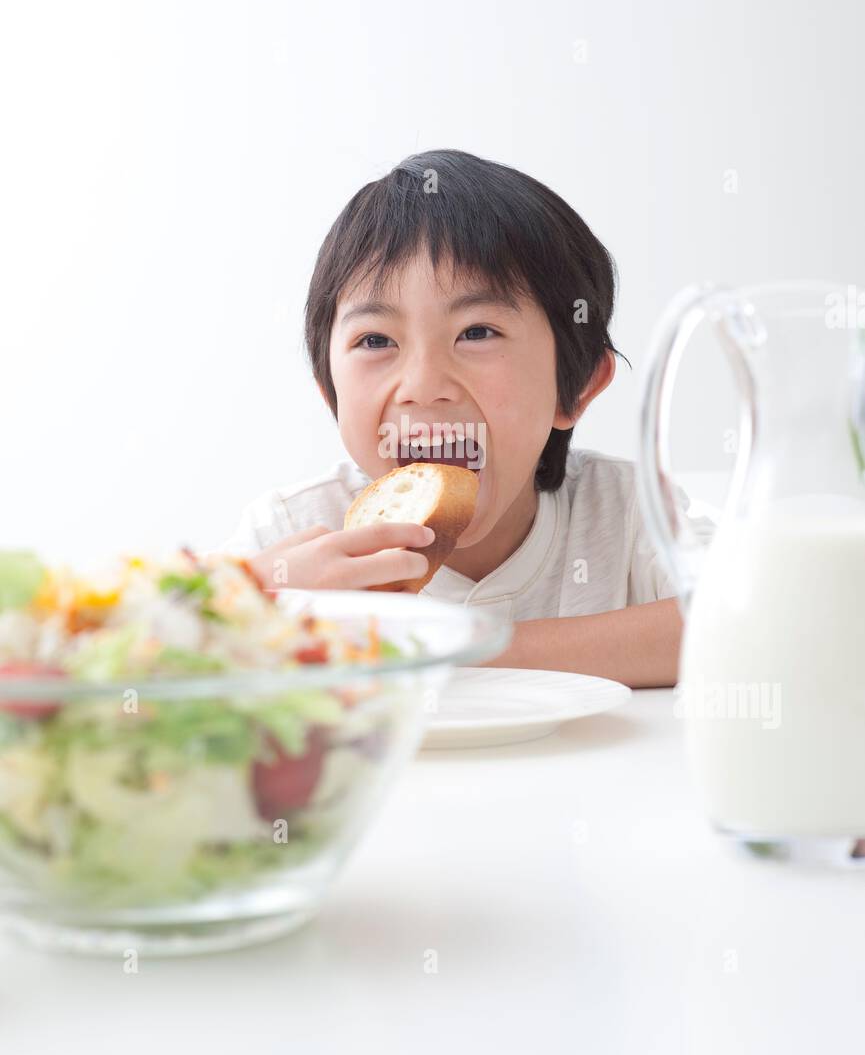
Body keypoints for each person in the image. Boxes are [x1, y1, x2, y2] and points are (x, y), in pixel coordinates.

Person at [213, 150, 715, 686]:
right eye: (376, 340)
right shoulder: (295, 533)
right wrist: (255, 605)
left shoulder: (629, 513)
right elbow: (144, 644)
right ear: (330, 392)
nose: (424, 384)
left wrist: (455, 652)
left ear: (577, 387)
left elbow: (748, 620)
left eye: (476, 333)